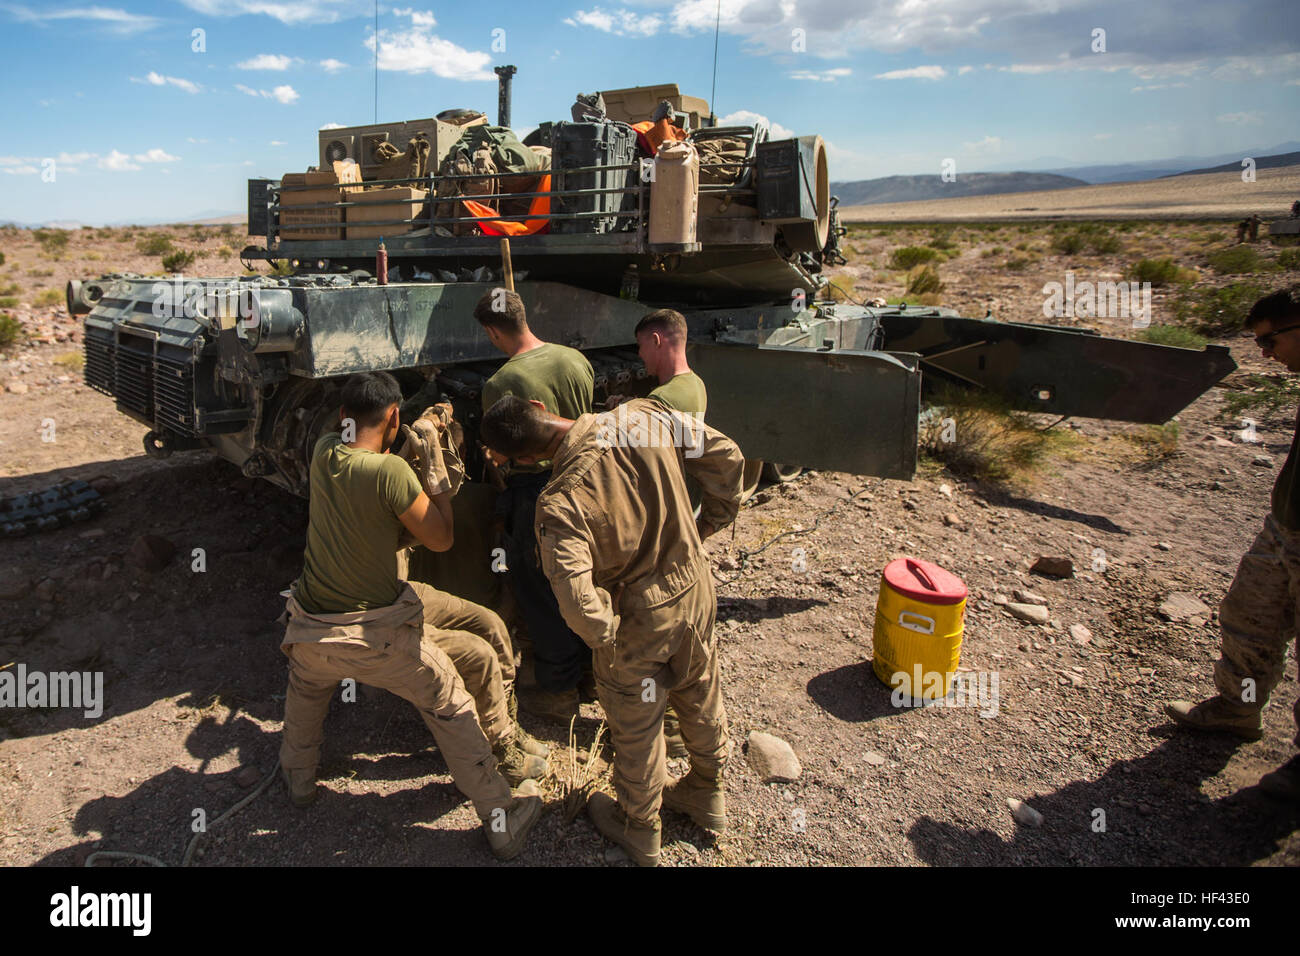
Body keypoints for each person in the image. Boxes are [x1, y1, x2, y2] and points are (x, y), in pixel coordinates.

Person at [278, 371, 542, 860]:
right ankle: (502, 815)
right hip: (373, 633)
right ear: (395, 416)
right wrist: (437, 475)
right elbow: (440, 537)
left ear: (342, 417)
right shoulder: (391, 474)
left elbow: (368, 474)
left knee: (307, 694)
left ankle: (297, 779)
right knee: (453, 698)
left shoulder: (323, 451)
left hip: (309, 628)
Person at [480, 394, 745, 866]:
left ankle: (640, 827)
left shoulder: (560, 502)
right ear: (541, 404)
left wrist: (609, 638)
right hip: (695, 585)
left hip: (639, 614)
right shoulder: (643, 415)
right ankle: (709, 790)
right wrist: (711, 522)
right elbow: (726, 454)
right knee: (700, 687)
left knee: (637, 719)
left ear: (523, 459)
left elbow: (579, 605)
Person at [1166, 286, 1300, 800]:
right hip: (1286, 526)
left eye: (1270, 341)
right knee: (1250, 618)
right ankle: (1238, 710)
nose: (1266, 354)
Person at [474, 288, 597, 722]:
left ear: (492, 332)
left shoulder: (500, 384)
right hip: (584, 481)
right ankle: (592, 675)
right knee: (584, 582)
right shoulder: (574, 359)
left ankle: (557, 690)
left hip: (536, 492)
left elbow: (506, 447)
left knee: (540, 592)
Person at [611, 308, 708, 759]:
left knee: (655, 626)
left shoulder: (665, 400)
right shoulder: (695, 386)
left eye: (640, 347)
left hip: (660, 525)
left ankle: (660, 727)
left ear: (656, 340)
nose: (639, 357)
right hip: (682, 514)